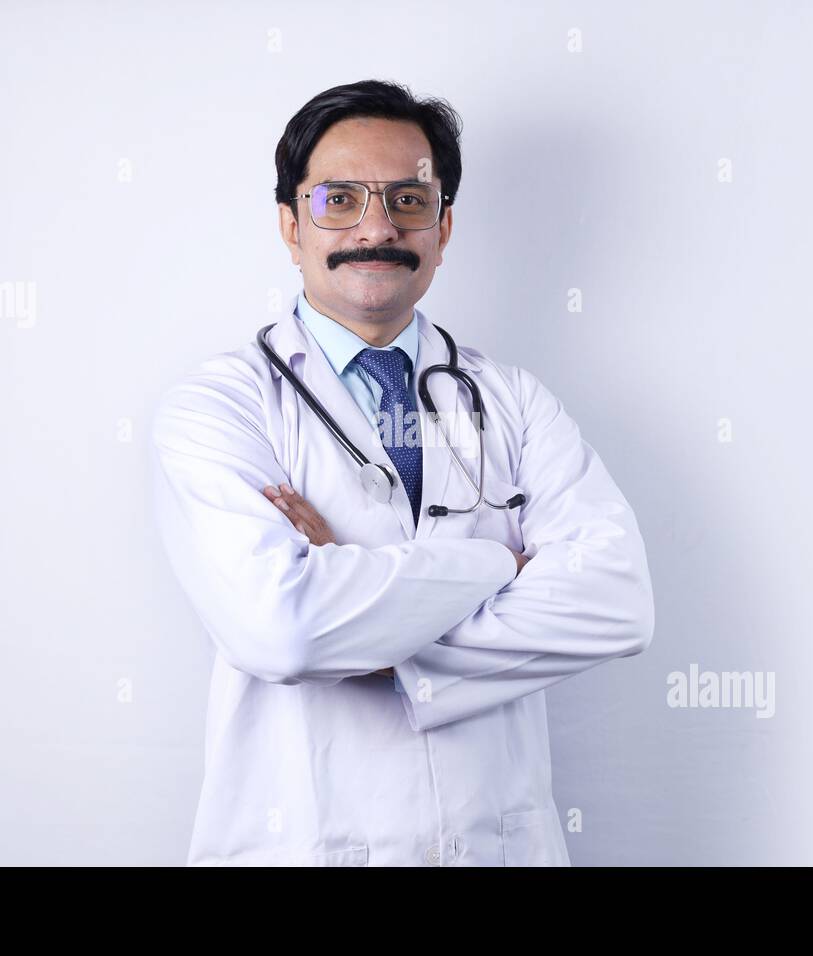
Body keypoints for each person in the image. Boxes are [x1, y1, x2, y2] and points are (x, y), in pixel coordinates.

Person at [151, 79, 655, 866]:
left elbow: (617, 602)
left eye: (409, 201)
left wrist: (374, 625)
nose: (377, 228)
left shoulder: (514, 400)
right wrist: (500, 565)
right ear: (291, 224)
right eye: (340, 200)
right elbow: (279, 628)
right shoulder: (221, 406)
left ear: (443, 226)